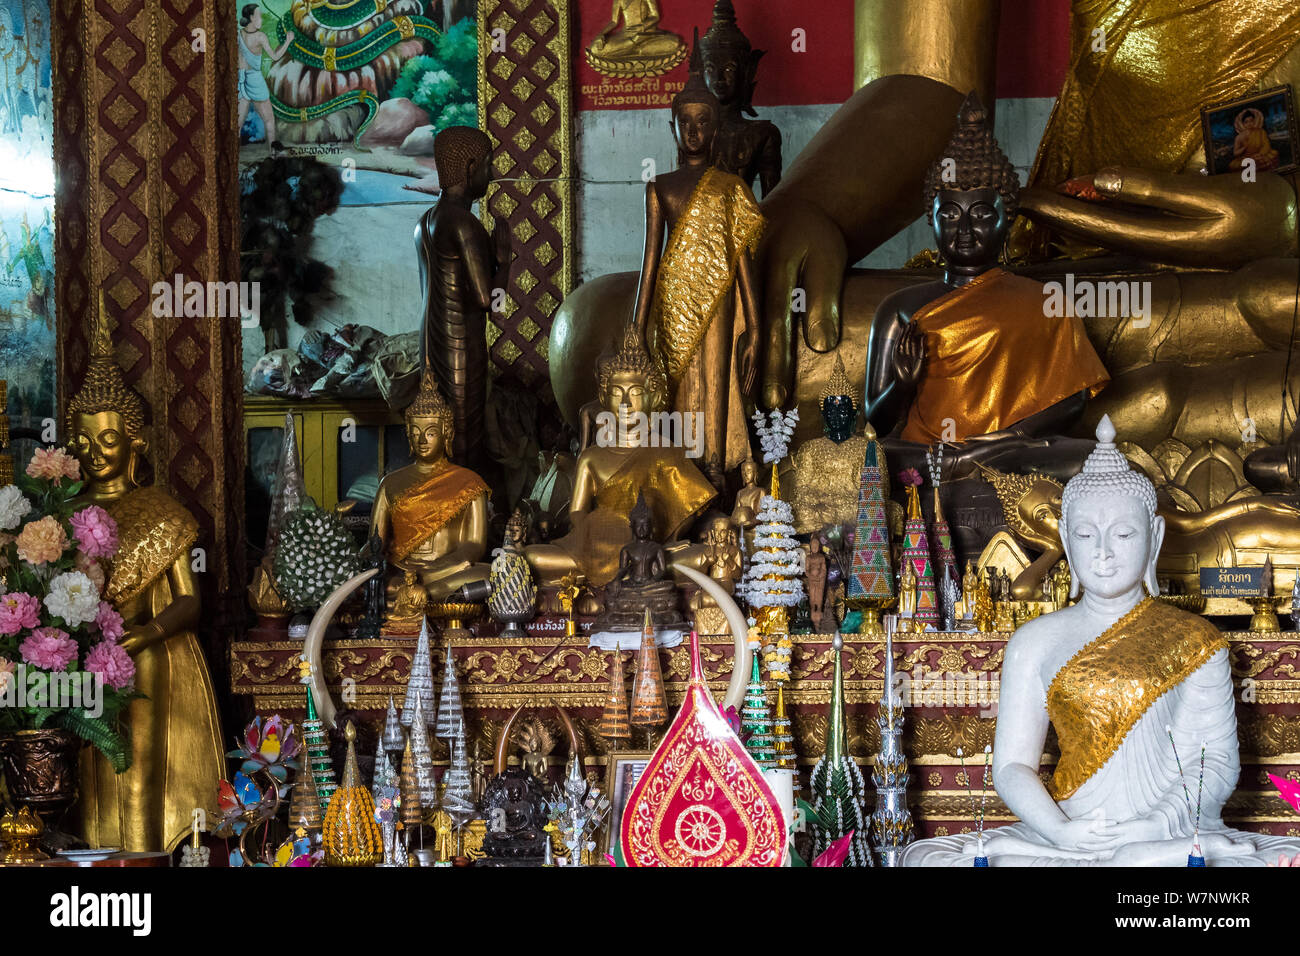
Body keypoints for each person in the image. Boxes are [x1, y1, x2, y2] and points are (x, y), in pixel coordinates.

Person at [902, 417, 1300, 866]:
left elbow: (1216, 764)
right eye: (1085, 535)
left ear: (1155, 538)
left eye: (1124, 534)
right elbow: (1012, 768)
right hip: (1066, 833)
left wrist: (1153, 828)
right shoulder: (1033, 642)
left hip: (1165, 834)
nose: (1103, 552)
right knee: (930, 860)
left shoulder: (1196, 638)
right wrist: (1060, 831)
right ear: (1066, 544)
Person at [630, 67, 763, 486]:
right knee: (676, 381)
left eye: (702, 122)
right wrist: (636, 327)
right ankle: (681, 469)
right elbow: (650, 264)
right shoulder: (659, 187)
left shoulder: (730, 187)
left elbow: (740, 257)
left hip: (720, 293)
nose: (693, 131)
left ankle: (715, 466)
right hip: (673, 299)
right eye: (684, 123)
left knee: (717, 377)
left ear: (717, 129)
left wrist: (756, 327)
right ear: (672, 128)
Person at [416, 125, 510, 470]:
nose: (492, 173)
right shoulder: (464, 224)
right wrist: (505, 261)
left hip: (428, 344)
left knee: (437, 435)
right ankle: (463, 516)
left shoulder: (424, 221)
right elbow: (490, 301)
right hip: (459, 346)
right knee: (463, 440)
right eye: (488, 164)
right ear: (471, 168)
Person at [237, 5, 293, 149]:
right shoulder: (260, 36)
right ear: (251, 18)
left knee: (237, 123)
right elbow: (275, 56)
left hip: (240, 80)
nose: (261, 18)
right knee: (269, 120)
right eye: (259, 15)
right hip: (255, 81)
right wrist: (288, 41)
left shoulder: (238, 34)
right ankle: (273, 156)